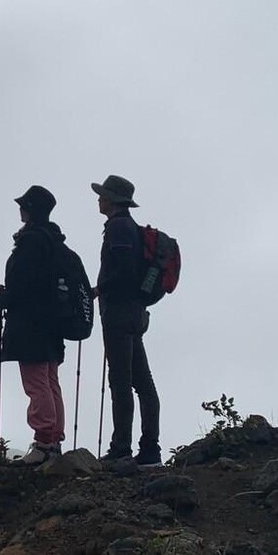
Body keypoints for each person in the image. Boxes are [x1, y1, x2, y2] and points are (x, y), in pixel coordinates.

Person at [0, 185, 66, 466]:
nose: (20, 208)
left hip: (32, 324)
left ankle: (43, 441)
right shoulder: (55, 242)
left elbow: (24, 285)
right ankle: (54, 440)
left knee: (36, 382)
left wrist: (3, 300)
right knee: (49, 380)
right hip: (52, 324)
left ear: (31, 210)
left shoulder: (31, 241)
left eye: (24, 204)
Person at [92, 174, 161, 467]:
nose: (99, 199)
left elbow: (119, 271)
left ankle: (121, 449)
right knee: (142, 382)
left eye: (102, 195)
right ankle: (150, 451)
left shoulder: (119, 228)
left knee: (121, 381)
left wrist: (99, 290)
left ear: (112, 200)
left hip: (119, 312)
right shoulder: (130, 227)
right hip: (134, 311)